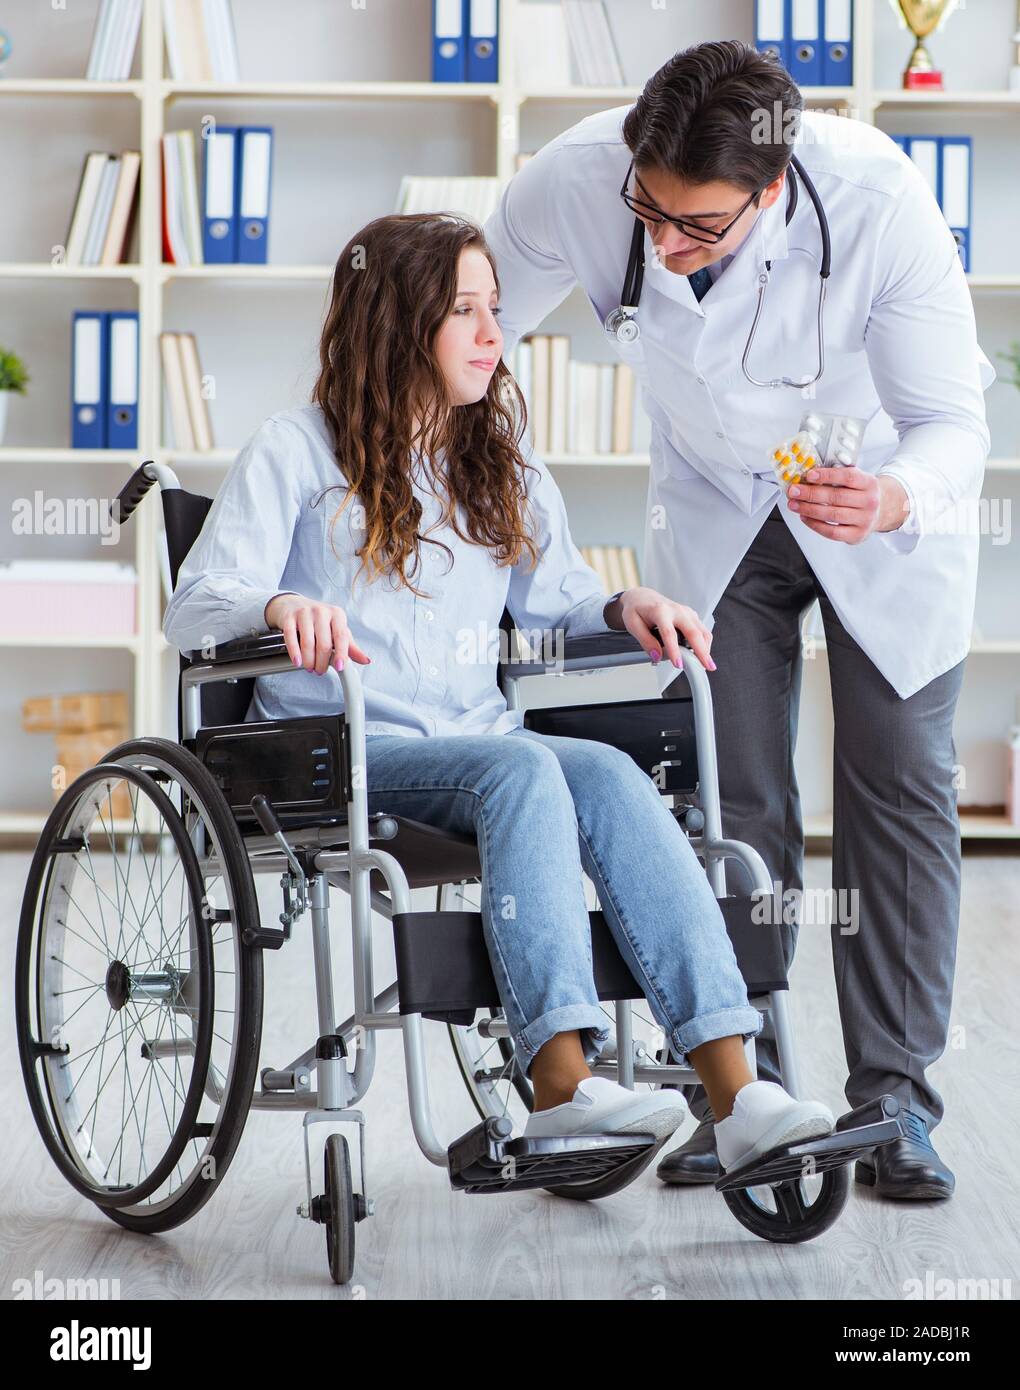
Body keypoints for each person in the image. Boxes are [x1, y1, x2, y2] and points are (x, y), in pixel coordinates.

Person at [163, 211, 835, 1172]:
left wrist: (625, 601)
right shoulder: (298, 451)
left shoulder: (498, 464)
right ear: (398, 327)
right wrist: (275, 605)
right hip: (341, 755)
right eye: (465, 312)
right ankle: (560, 1084)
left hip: (475, 741)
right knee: (520, 770)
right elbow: (195, 607)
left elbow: (556, 602)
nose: (492, 334)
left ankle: (738, 1094)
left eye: (495, 310)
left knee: (605, 773)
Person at [482, 39, 993, 1199]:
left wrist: (894, 494)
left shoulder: (876, 199)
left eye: (699, 227)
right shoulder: (580, 178)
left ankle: (895, 1103)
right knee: (735, 795)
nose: (665, 243)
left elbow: (953, 420)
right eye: (651, 214)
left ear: (771, 187)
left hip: (872, 496)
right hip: (717, 507)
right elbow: (457, 338)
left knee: (899, 780)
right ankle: (745, 1091)